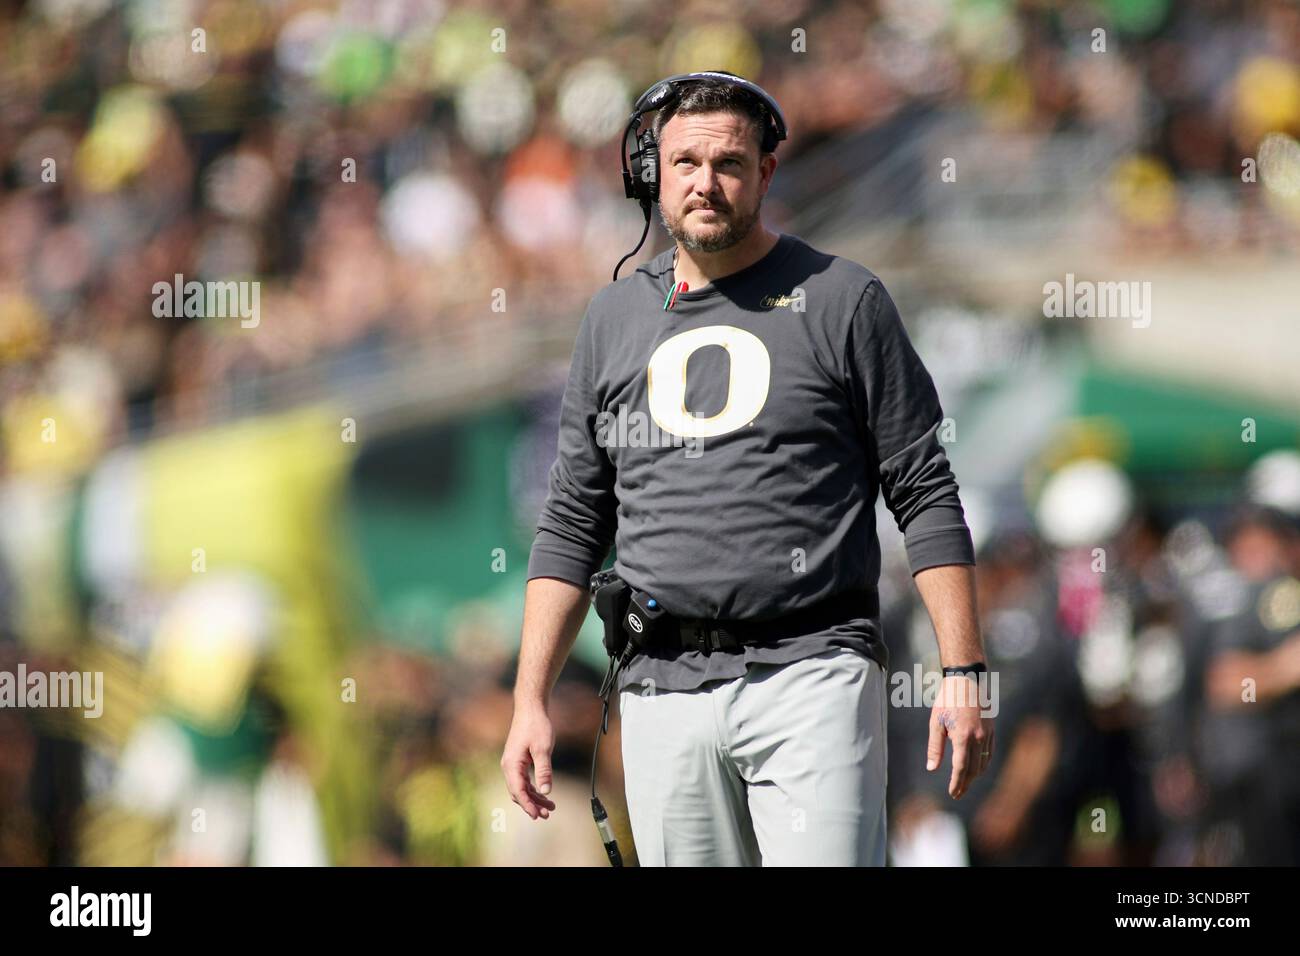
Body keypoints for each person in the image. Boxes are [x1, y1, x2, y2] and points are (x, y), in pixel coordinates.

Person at [501, 73, 993, 866]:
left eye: (728, 162)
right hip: (660, 681)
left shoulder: (844, 300)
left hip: (813, 668)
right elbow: (572, 522)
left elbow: (925, 489)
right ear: (648, 173)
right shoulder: (613, 318)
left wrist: (963, 667)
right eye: (684, 161)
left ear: (766, 173)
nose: (705, 182)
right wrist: (529, 700)